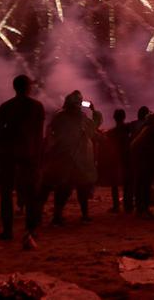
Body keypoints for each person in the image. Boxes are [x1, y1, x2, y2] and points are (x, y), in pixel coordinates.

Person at [0, 74, 45, 250]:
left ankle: (7, 231)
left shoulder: (6, 107)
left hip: (9, 154)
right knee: (31, 194)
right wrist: (38, 155)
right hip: (29, 154)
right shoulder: (36, 106)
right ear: (28, 87)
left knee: (7, 194)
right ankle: (30, 230)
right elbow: (39, 134)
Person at [43, 91, 101, 225]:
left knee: (65, 188)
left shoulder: (59, 116)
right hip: (77, 158)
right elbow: (93, 128)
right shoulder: (81, 117)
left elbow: (51, 132)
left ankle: (58, 216)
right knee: (79, 187)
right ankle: (82, 215)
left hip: (65, 157)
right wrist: (94, 111)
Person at [130, 111, 154, 217]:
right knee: (145, 184)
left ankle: (139, 208)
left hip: (138, 158)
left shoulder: (143, 129)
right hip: (146, 159)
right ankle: (144, 209)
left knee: (140, 183)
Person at [106, 109, 135, 213]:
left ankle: (116, 206)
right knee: (128, 183)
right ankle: (128, 205)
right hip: (127, 158)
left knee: (115, 183)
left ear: (114, 118)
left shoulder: (111, 133)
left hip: (115, 159)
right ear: (124, 117)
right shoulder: (128, 129)